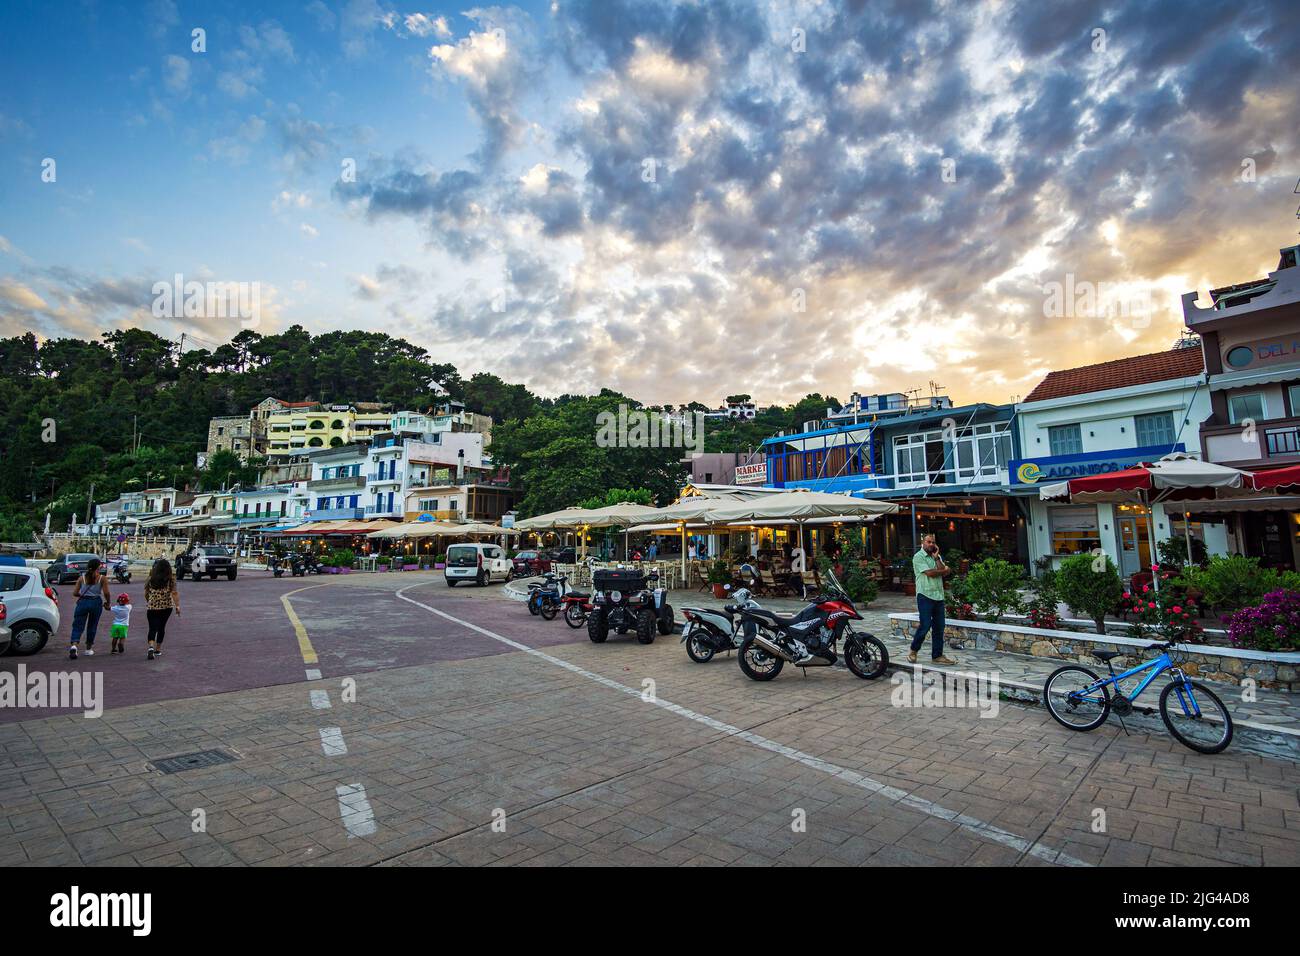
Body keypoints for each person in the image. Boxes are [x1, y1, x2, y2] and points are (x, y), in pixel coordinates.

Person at [909, 534, 956, 665]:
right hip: (925, 595)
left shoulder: (936, 556)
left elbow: (941, 570)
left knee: (939, 627)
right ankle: (913, 651)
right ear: (923, 543)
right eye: (928, 542)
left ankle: (937, 655)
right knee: (925, 625)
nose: (931, 544)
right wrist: (944, 570)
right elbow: (931, 573)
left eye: (933, 542)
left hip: (938, 596)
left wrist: (937, 559)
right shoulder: (918, 557)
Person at [69, 557, 111, 659]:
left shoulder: (82, 578)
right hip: (96, 602)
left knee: (78, 625)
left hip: (83, 602)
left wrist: (82, 596)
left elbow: (75, 593)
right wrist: (108, 602)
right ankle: (88, 649)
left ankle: (74, 645)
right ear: (98, 567)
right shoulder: (102, 578)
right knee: (92, 625)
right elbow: (106, 592)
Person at [144, 558, 181, 660]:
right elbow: (174, 593)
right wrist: (177, 606)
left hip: (152, 607)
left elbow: (146, 593)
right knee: (161, 627)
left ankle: (151, 647)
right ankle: (158, 649)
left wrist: (149, 602)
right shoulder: (171, 579)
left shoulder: (151, 578)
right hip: (166, 607)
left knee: (152, 628)